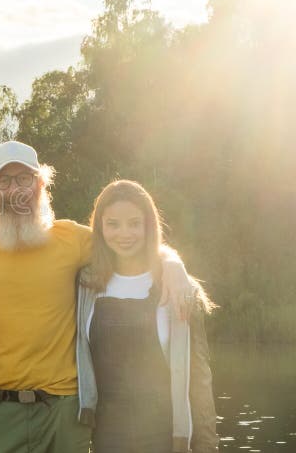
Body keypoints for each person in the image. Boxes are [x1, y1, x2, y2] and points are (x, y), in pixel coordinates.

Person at [0, 141, 193, 453]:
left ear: (41, 184)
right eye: (3, 181)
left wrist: (173, 264)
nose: (14, 190)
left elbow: (125, 243)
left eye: (23, 179)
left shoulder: (71, 238)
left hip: (64, 409)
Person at [76, 179, 218, 452]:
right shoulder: (85, 286)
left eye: (134, 223)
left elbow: (199, 382)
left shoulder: (179, 288)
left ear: (148, 226)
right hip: (105, 438)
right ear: (100, 226)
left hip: (166, 437)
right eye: (113, 224)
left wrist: (207, 446)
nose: (124, 233)